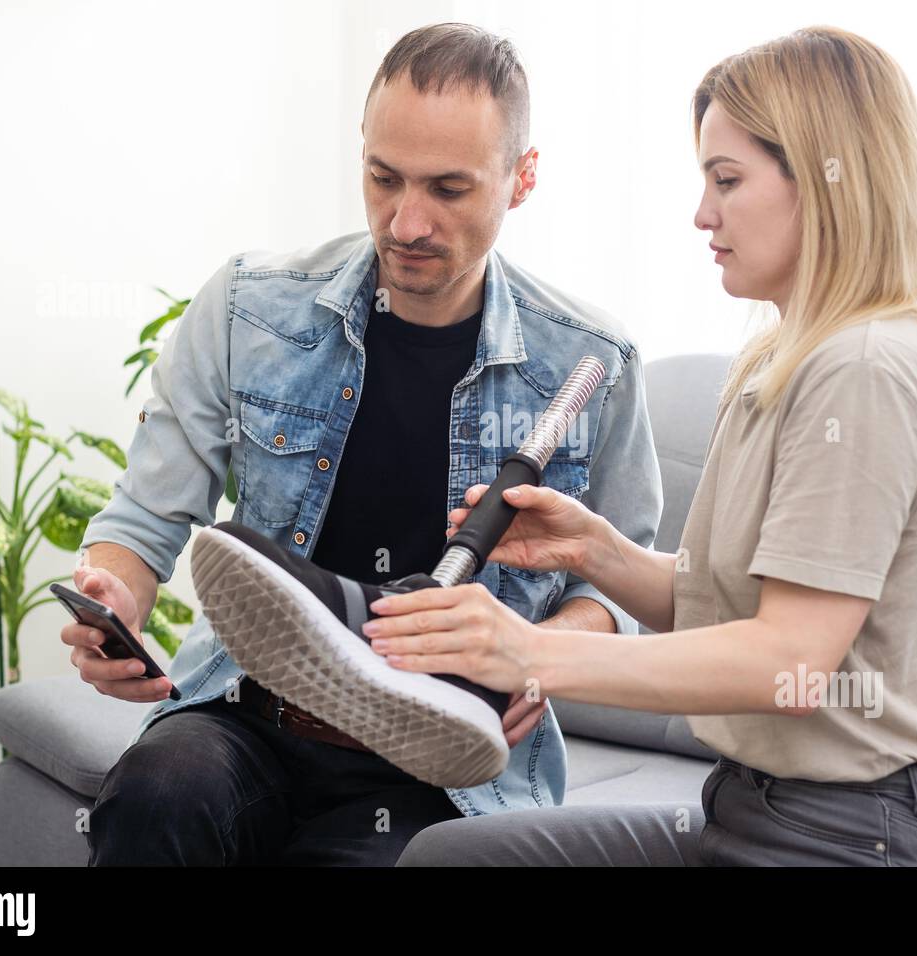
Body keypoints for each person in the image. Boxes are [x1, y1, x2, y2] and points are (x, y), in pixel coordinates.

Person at [381, 25, 917, 866]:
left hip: (856, 839)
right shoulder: (787, 360)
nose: (702, 214)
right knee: (456, 857)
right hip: (744, 809)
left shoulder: (868, 369)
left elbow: (790, 659)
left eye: (727, 180)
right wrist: (594, 549)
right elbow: (732, 603)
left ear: (824, 179)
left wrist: (530, 651)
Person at [64, 22, 662, 866]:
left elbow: (626, 582)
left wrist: (545, 656)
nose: (406, 221)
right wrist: (114, 600)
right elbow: (146, 514)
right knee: (158, 792)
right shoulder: (248, 308)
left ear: (521, 179)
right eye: (384, 178)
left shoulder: (592, 363)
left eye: (449, 189)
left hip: (444, 762)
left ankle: (362, 626)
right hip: (249, 710)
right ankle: (332, 618)